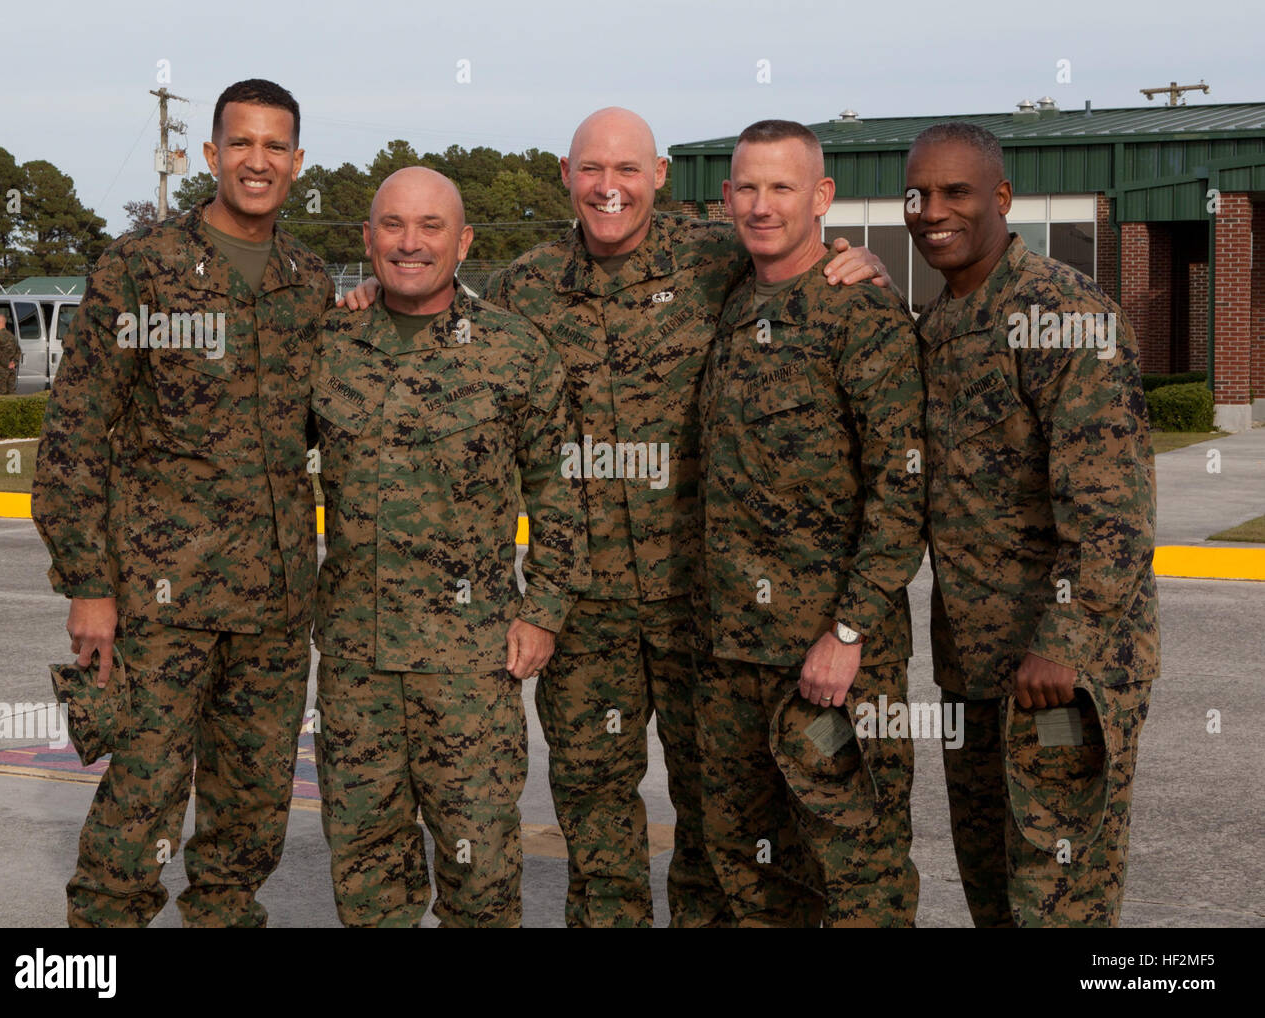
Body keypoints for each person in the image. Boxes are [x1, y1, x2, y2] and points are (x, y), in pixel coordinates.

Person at [345, 107, 890, 927]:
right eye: (592, 170)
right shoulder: (526, 286)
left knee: (719, 816)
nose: (609, 188)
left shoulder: (718, 257)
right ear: (566, 176)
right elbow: (435, 324)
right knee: (595, 817)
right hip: (584, 613)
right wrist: (366, 296)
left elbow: (799, 258)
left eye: (628, 170)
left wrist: (859, 258)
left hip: (703, 607)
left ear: (659, 176)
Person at [31, 79, 335, 927]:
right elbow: (74, 437)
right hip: (161, 604)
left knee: (250, 822)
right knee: (139, 813)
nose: (257, 161)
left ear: (297, 163)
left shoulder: (310, 283)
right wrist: (89, 588)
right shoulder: (140, 268)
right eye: (241, 143)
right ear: (210, 154)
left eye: (275, 146)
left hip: (274, 608)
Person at [311, 166, 589, 927]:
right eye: (393, 225)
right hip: (357, 665)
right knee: (365, 873)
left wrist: (545, 611)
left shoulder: (513, 350)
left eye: (431, 226)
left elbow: (562, 490)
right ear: (368, 239)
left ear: (463, 242)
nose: (411, 243)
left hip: (470, 667)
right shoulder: (328, 343)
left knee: (481, 876)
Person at [905, 121, 1158, 927]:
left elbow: (1113, 509)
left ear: (1003, 197)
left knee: (1057, 901)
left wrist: (1065, 641)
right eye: (918, 194)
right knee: (993, 894)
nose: (931, 211)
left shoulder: (1062, 314)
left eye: (956, 192)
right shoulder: (939, 327)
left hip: (1062, 676)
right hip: (975, 670)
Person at [694, 120, 926, 927]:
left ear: (821, 196)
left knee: (859, 867)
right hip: (733, 656)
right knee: (750, 870)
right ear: (727, 198)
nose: (762, 206)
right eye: (747, 188)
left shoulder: (860, 313)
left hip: (831, 661)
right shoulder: (729, 299)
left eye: (782, 187)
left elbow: (902, 488)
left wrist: (850, 630)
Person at [0, 311, 20, 394]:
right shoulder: (12, 336)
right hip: (11, 370)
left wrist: (7, 364)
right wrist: (14, 363)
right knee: (10, 394)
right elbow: (18, 351)